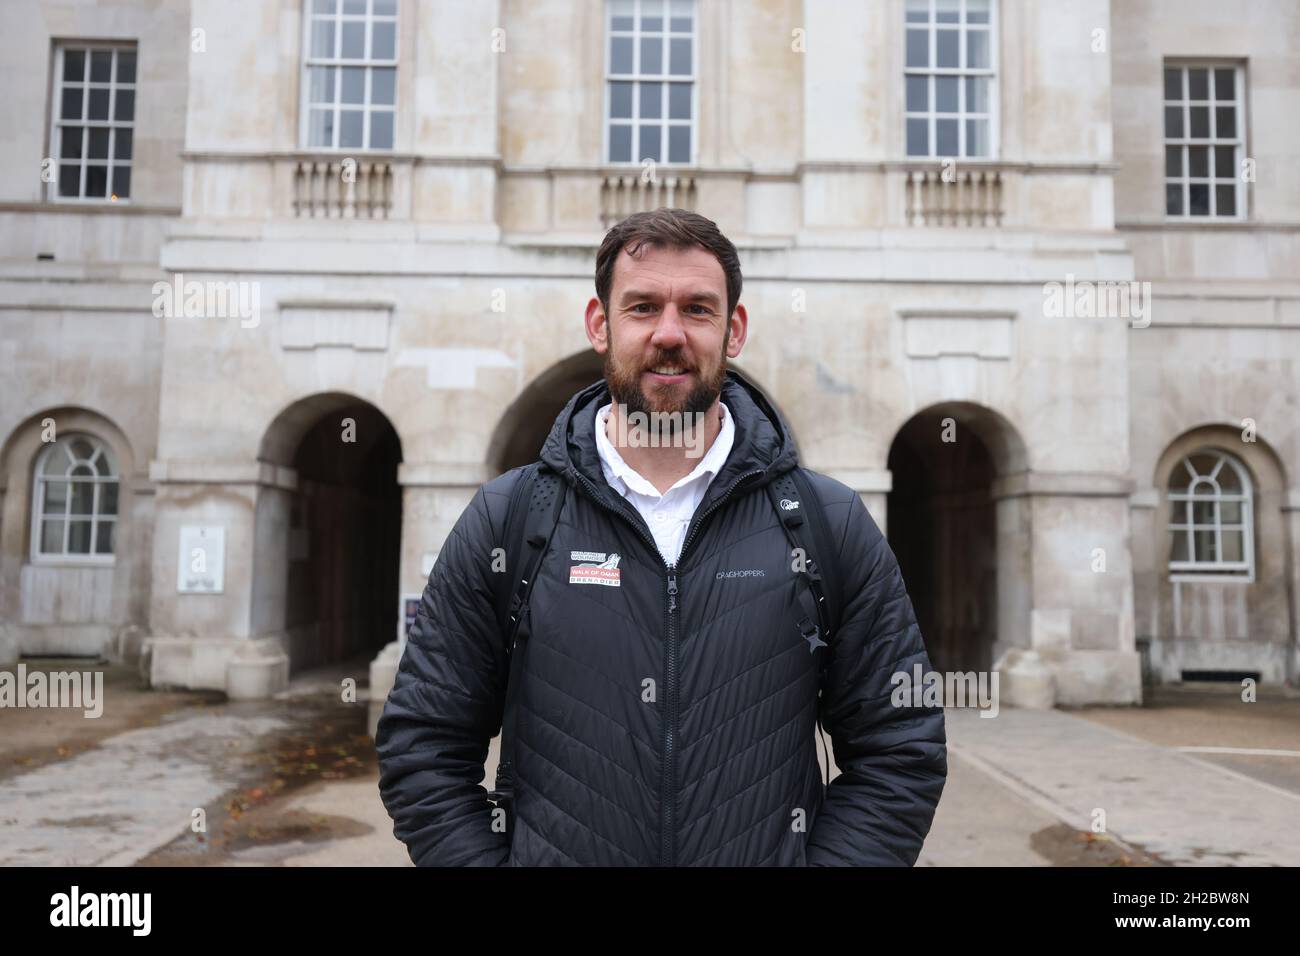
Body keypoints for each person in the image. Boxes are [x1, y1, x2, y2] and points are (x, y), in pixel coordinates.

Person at [376, 207, 946, 866]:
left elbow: (902, 747)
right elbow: (422, 742)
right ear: (601, 325)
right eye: (643, 307)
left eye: (697, 310)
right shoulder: (511, 517)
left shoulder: (827, 522)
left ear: (734, 331)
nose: (669, 334)